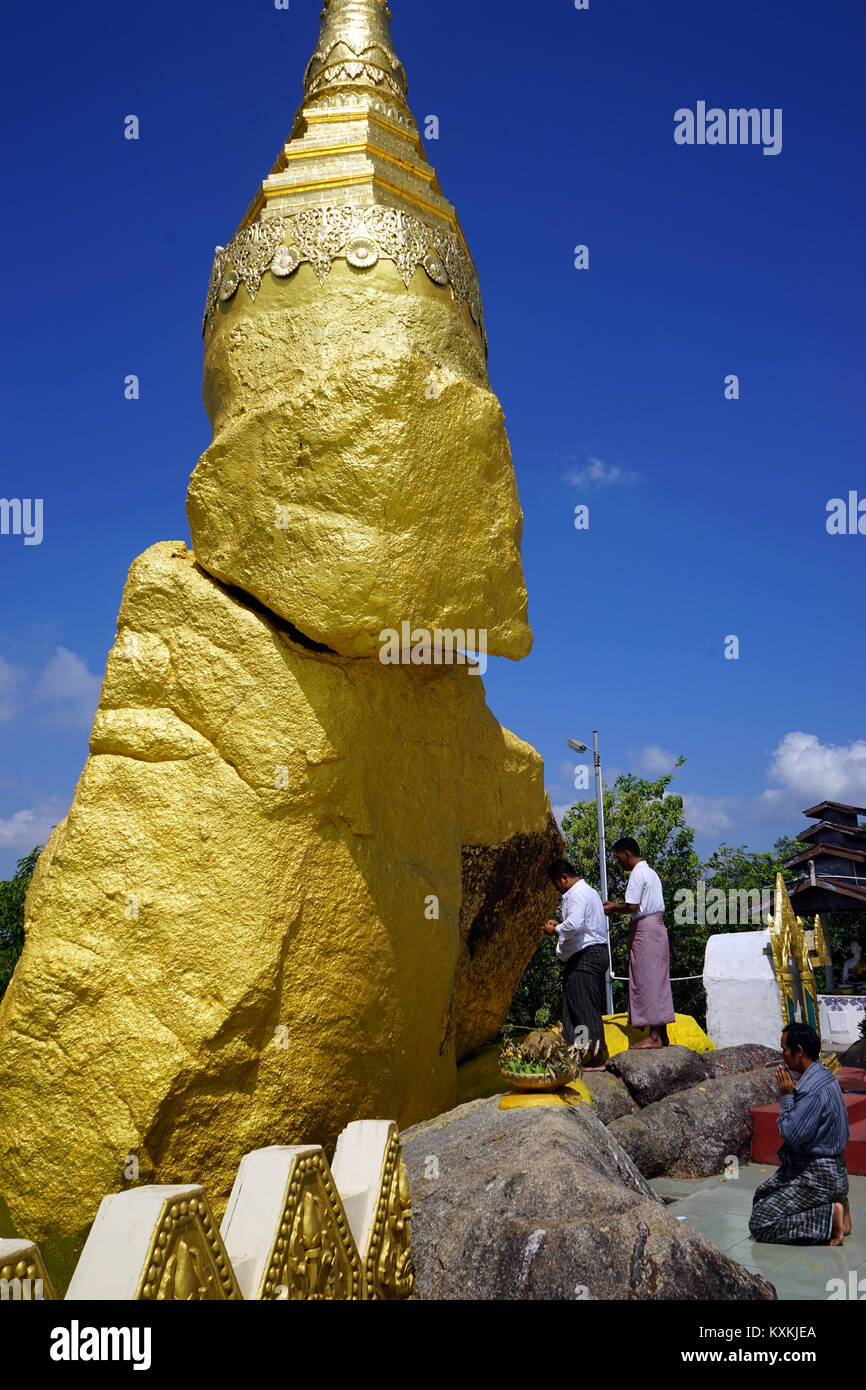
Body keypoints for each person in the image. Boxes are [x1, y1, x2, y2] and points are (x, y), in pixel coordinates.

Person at [749, 1023, 851, 1246]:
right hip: (829, 1170)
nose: (782, 1055)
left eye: (784, 1049)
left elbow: (791, 1134)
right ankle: (837, 1204)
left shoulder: (812, 1089)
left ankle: (830, 1218)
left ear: (799, 1051)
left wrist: (786, 1096)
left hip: (820, 1175)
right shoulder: (823, 1075)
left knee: (760, 1222)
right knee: (761, 1196)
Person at [603, 837, 675, 1050]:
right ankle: (661, 1034)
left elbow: (632, 906)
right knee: (657, 978)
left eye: (619, 859)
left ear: (626, 854)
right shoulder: (651, 873)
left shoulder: (637, 874)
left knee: (648, 979)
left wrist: (613, 907)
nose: (620, 863)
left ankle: (654, 1036)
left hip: (646, 929)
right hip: (657, 928)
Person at [543, 858, 610, 1068]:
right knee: (573, 1005)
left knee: (584, 1007)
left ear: (564, 878)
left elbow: (576, 924)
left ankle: (597, 1057)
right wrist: (561, 925)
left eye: (557, 885)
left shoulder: (577, 893)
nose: (558, 890)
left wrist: (556, 930)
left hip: (587, 955)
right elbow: (577, 924)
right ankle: (579, 1052)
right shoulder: (589, 892)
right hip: (588, 953)